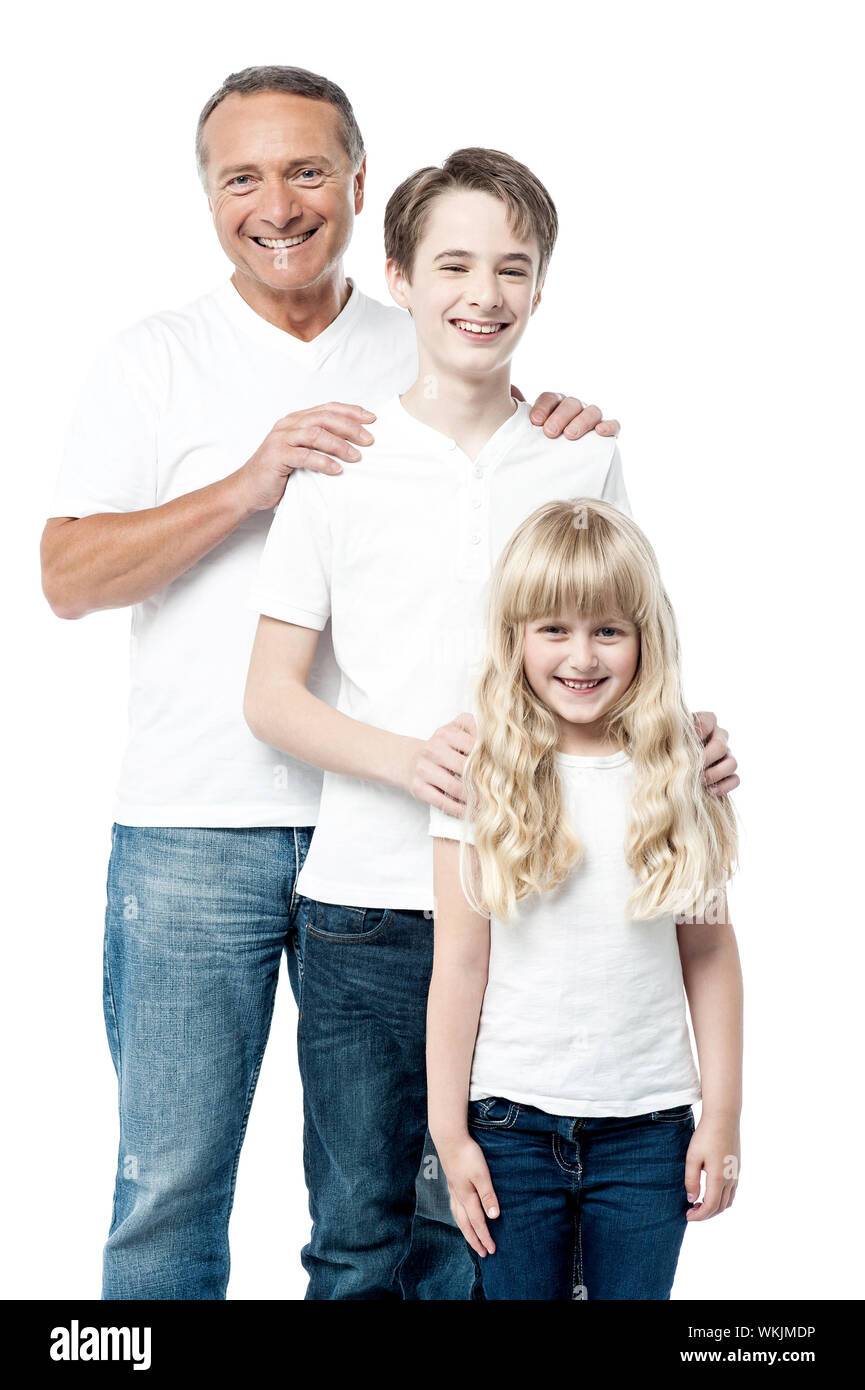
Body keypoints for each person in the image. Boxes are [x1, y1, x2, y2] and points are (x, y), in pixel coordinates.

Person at [39, 65, 613, 1302]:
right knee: (170, 1182)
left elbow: (499, 454)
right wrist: (248, 486)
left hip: (405, 841)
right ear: (207, 197)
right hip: (200, 829)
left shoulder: (415, 323)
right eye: (241, 176)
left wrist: (553, 429)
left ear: (361, 187)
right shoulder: (156, 358)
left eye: (307, 170)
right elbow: (66, 576)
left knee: (410, 1191)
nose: (277, 202)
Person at [244, 147, 739, 1300]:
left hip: (544, 908)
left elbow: (620, 637)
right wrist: (416, 763)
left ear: (540, 287)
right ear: (399, 276)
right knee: (363, 1232)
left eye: (512, 269)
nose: (484, 293)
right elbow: (270, 696)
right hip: (374, 910)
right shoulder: (341, 460)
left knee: (499, 1254)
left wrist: (689, 739)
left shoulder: (581, 450)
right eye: (455, 264)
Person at [426, 497, 743, 1300]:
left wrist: (722, 1116)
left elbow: (708, 953)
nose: (582, 655)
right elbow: (459, 963)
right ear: (515, 639)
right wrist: (448, 1131)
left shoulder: (681, 775)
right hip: (508, 1128)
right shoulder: (478, 775)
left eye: (608, 629)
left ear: (645, 638)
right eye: (553, 629)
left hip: (649, 1131)